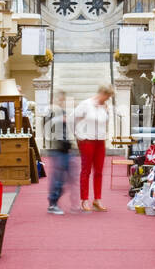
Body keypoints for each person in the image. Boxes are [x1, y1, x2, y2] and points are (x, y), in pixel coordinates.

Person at [73, 83, 113, 211]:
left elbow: (105, 122)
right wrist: (79, 135)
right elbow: (72, 119)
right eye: (107, 96)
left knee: (99, 171)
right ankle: (84, 200)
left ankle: (97, 199)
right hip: (87, 141)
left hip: (100, 141)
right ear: (102, 93)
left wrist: (105, 111)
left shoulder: (104, 106)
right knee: (86, 171)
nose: (107, 99)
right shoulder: (86, 104)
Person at [47, 95, 72, 215]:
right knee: (58, 178)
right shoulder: (52, 111)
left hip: (65, 148)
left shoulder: (63, 112)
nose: (62, 101)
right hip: (57, 149)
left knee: (65, 178)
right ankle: (53, 203)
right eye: (60, 99)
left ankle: (54, 200)